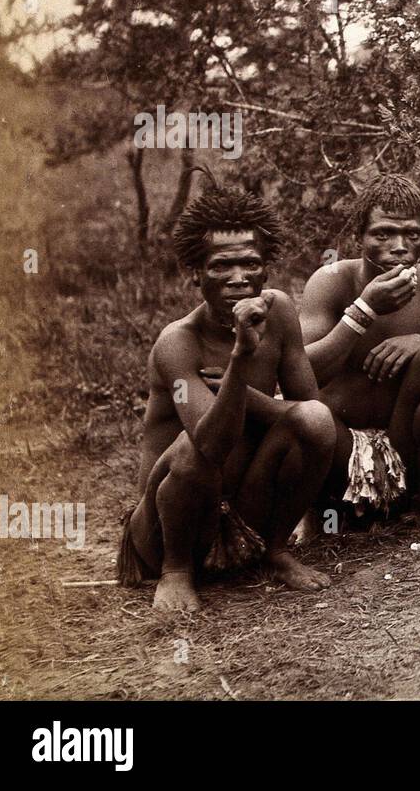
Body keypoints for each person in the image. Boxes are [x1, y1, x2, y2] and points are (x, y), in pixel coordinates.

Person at [118, 184, 335, 611]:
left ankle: (273, 550)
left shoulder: (281, 313)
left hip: (239, 515)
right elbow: (209, 446)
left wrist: (253, 399)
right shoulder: (177, 343)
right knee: (192, 444)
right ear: (194, 273)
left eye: (250, 263)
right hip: (166, 529)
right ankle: (176, 573)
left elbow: (311, 407)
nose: (239, 278)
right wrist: (242, 354)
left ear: (266, 270)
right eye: (222, 266)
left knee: (314, 420)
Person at [299, 173, 420, 530]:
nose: (399, 246)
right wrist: (362, 312)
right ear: (359, 235)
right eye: (383, 233)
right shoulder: (330, 282)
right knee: (310, 419)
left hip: (402, 449)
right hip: (341, 454)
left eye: (412, 234)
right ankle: (320, 508)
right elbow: (300, 377)